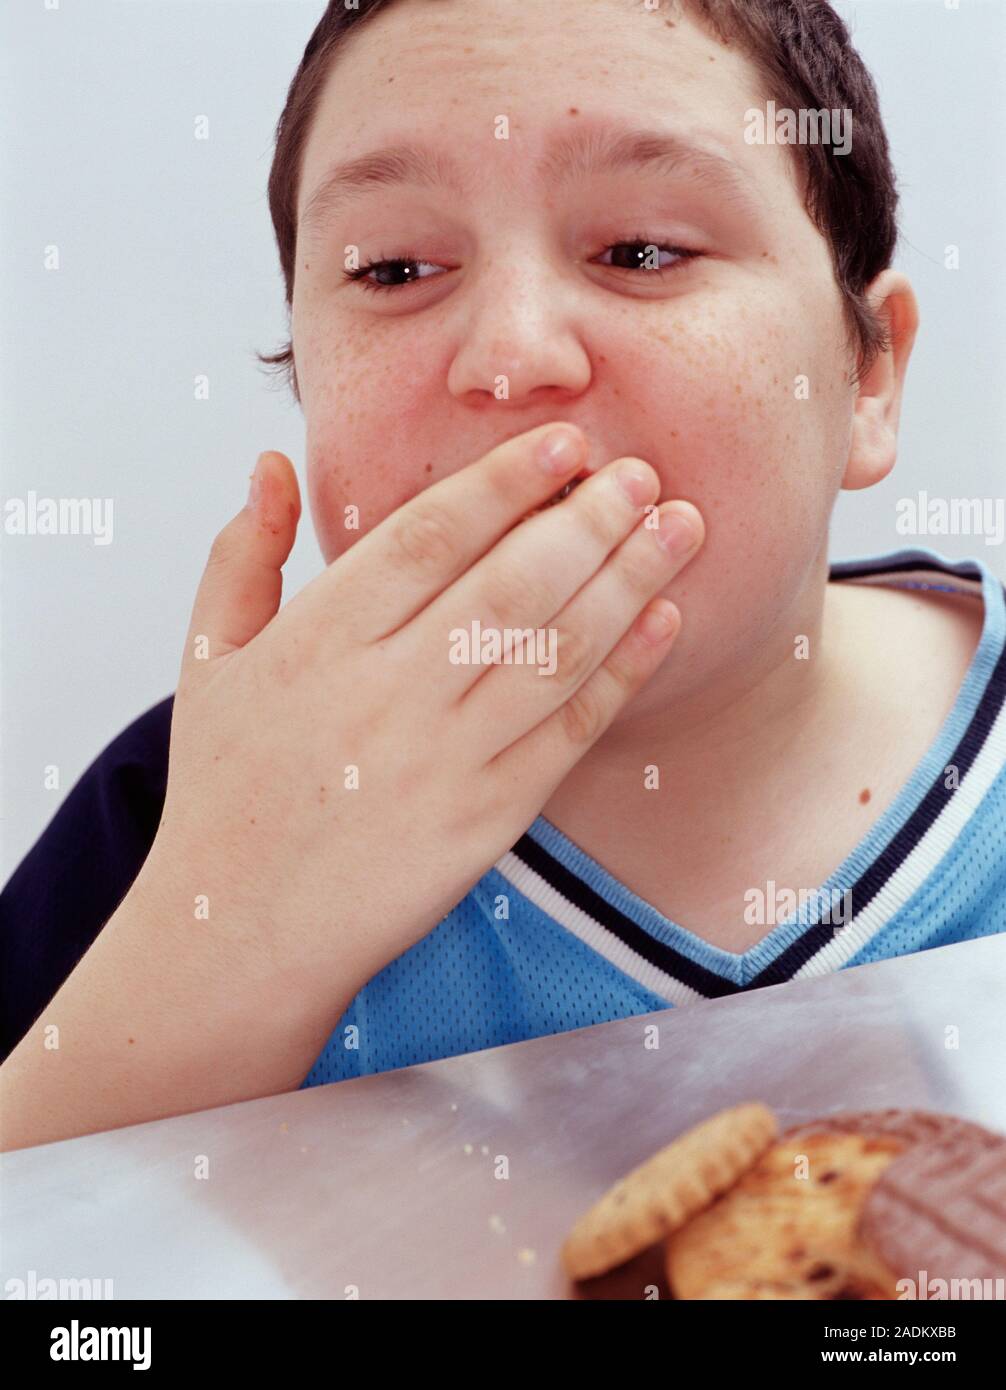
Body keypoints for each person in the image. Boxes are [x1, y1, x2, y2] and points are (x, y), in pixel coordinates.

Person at [2, 0, 1003, 1151]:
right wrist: (228, 944)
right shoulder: (182, 816)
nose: (511, 356)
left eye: (640, 252)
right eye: (394, 268)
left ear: (866, 377)